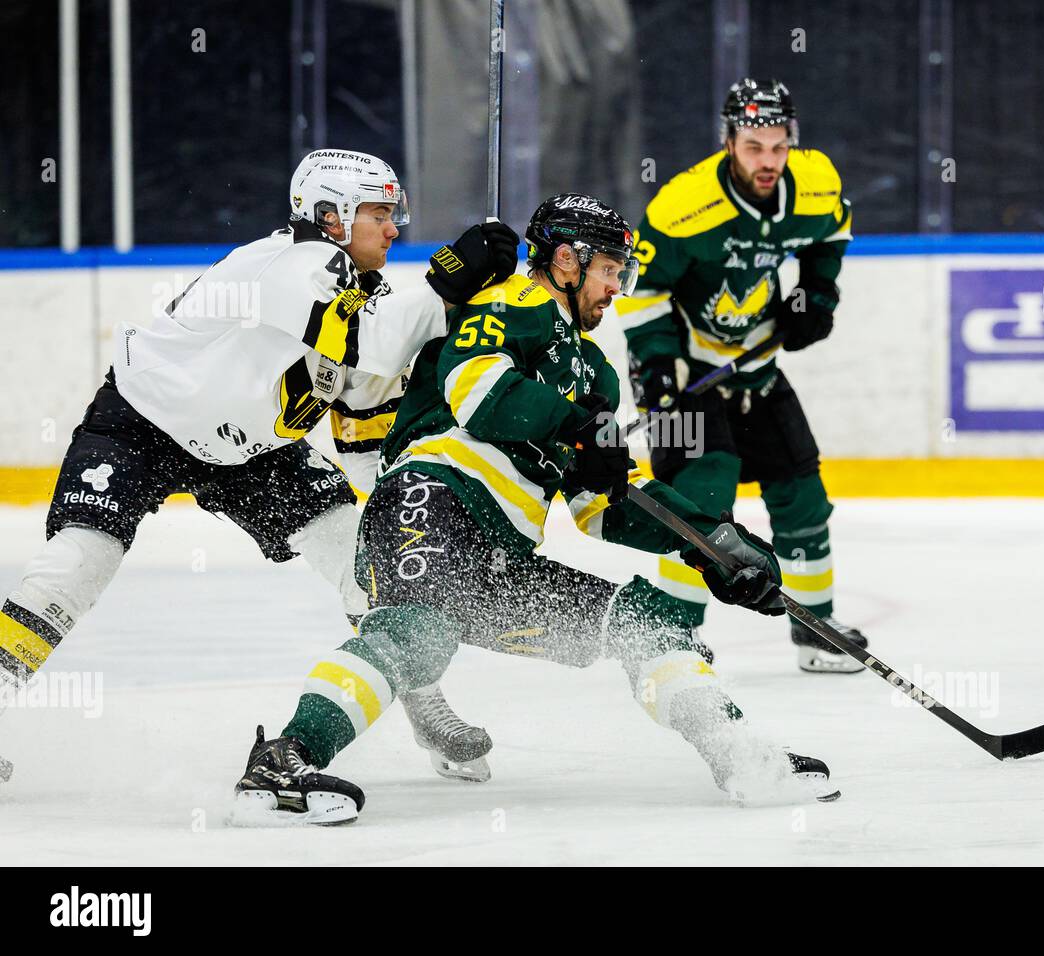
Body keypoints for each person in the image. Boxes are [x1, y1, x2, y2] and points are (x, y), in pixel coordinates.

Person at [232, 194, 839, 825]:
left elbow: (599, 506)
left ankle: (742, 757)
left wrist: (709, 544)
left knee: (644, 624)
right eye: (609, 269)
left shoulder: (597, 373)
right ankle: (283, 761)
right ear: (568, 260)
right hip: (429, 504)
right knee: (419, 632)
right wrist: (579, 430)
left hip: (500, 559)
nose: (617, 287)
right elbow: (477, 390)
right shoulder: (509, 303)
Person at [0, 150, 517, 784]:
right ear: (331, 215)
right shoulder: (293, 264)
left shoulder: (358, 290)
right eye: (380, 213)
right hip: (142, 425)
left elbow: (359, 410)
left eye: (393, 214)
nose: (393, 229)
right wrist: (449, 279)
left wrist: (383, 509)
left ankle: (425, 706)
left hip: (256, 453)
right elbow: (369, 337)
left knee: (364, 563)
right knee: (77, 565)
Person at [618, 78, 868, 674]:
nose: (768, 161)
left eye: (779, 147)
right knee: (700, 500)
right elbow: (642, 290)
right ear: (729, 140)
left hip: (755, 365)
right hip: (684, 372)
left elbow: (830, 234)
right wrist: (654, 365)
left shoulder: (814, 184)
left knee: (801, 490)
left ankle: (814, 628)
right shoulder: (685, 205)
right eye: (755, 146)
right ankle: (668, 632)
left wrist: (815, 295)